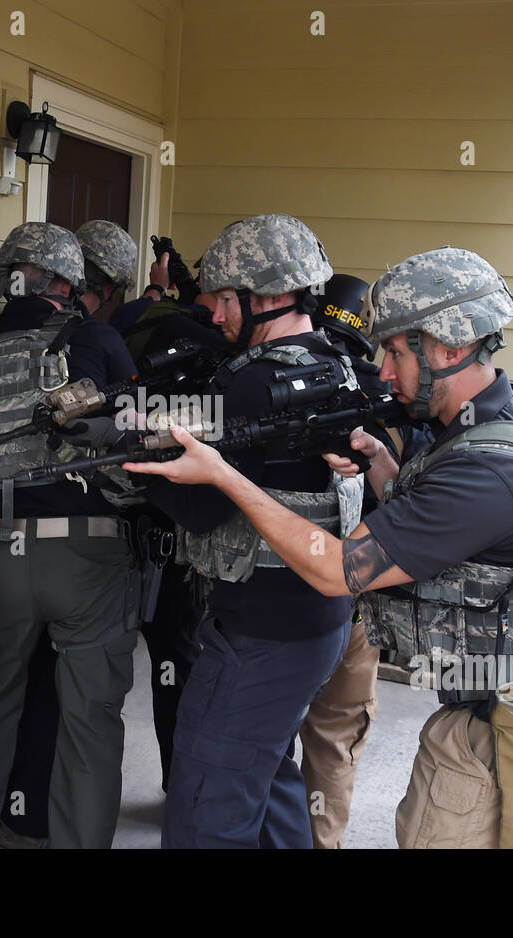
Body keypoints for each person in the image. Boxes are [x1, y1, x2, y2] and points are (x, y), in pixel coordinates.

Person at [128, 246, 513, 849]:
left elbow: (338, 569)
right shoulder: (499, 427)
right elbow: (447, 529)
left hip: (508, 740)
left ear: (450, 348)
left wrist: (225, 476)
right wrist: (384, 466)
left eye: (397, 351)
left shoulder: (489, 475)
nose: (384, 371)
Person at [133, 213, 360, 849]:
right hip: (319, 621)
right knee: (268, 776)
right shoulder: (334, 366)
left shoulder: (252, 381)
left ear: (262, 298)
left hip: (260, 632)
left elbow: (204, 510)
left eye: (222, 298)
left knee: (208, 806)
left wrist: (139, 466)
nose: (212, 313)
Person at [0, 221, 141, 849]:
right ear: (68, 282)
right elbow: (136, 442)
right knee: (90, 719)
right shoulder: (96, 336)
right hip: (84, 551)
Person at [299, 273, 381, 849]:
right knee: (333, 733)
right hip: (358, 595)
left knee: (267, 730)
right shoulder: (388, 394)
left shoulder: (273, 378)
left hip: (280, 591)